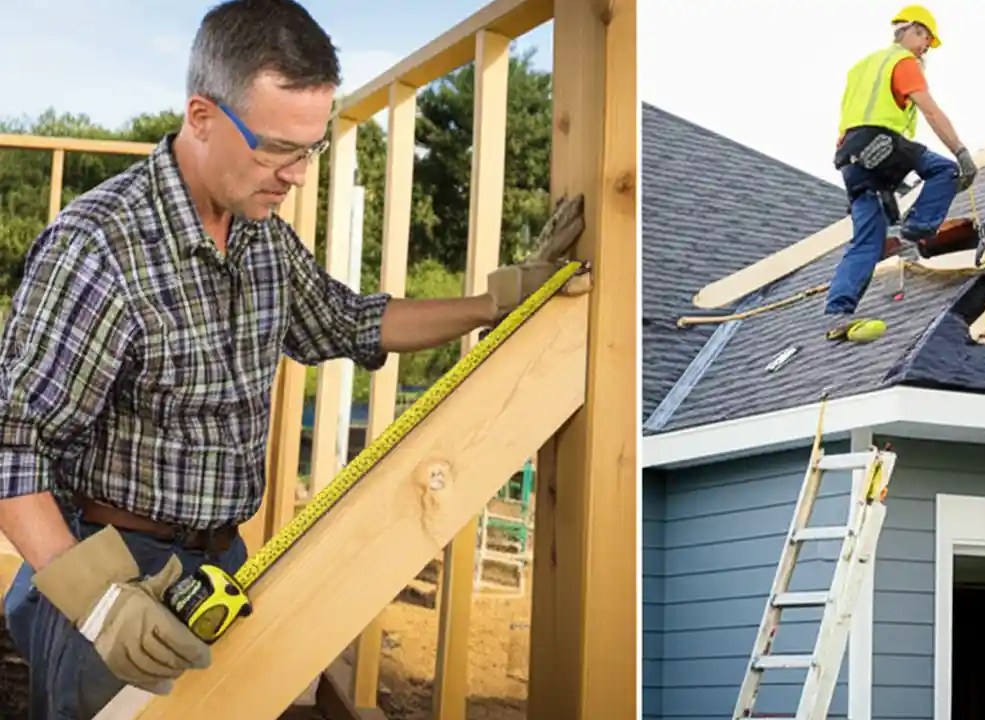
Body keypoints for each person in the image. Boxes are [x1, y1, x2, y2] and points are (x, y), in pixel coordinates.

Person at [0, 1, 573, 716]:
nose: (297, 175)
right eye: (276, 148)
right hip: (116, 568)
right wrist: (98, 604)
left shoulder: (259, 238)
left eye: (310, 149)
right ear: (202, 117)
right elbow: (13, 448)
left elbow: (351, 320)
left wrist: (494, 305)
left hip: (225, 569)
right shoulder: (98, 250)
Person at [825, 4, 978, 339]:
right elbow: (931, 111)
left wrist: (859, 175)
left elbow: (849, 118)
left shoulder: (861, 67)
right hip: (880, 141)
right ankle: (918, 229)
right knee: (946, 172)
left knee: (868, 240)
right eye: (923, 36)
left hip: (850, 157)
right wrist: (962, 152)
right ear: (906, 30)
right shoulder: (902, 62)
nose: (925, 46)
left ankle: (837, 312)